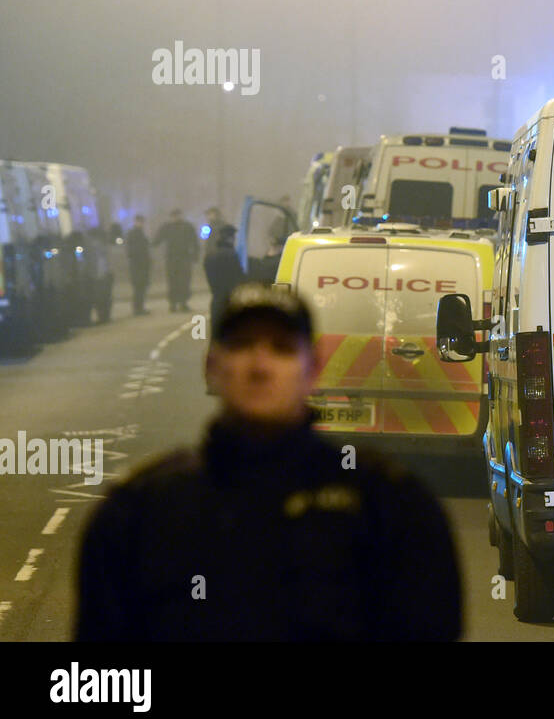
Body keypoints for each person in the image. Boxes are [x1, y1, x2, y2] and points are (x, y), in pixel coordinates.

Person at [75, 282, 462, 641]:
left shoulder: (389, 504)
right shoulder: (140, 509)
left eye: (282, 348)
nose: (260, 366)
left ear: (312, 371)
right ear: (212, 367)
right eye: (242, 345)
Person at [153, 209, 199, 312]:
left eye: (177, 216)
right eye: (174, 216)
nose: (176, 218)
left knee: (183, 281)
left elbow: (194, 242)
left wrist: (195, 256)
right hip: (174, 258)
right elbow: (157, 240)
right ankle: (174, 303)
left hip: (182, 258)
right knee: (173, 281)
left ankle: (182, 303)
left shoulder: (186, 227)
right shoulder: (169, 227)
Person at [203, 224, 244, 328]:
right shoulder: (232, 255)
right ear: (231, 238)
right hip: (230, 302)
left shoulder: (209, 255)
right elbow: (238, 276)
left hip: (215, 300)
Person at [124, 214, 151, 315]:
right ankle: (137, 308)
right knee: (139, 288)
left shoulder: (140, 233)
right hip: (137, 265)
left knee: (141, 287)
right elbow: (133, 250)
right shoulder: (134, 234)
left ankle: (139, 307)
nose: (141, 224)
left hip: (141, 265)